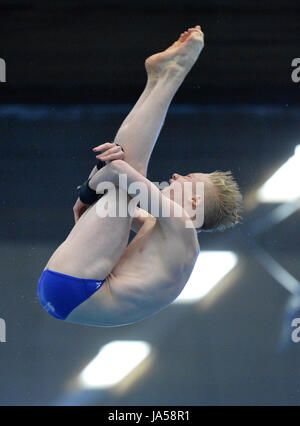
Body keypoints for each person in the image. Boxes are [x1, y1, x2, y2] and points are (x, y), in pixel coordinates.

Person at [37, 25, 243, 326]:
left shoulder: (184, 228)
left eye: (187, 178)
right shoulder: (161, 228)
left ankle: (170, 75)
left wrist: (94, 186)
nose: (175, 175)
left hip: (78, 287)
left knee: (128, 177)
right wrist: (89, 192)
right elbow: (113, 177)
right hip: (70, 290)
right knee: (125, 182)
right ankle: (161, 78)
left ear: (195, 202)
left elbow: (120, 173)